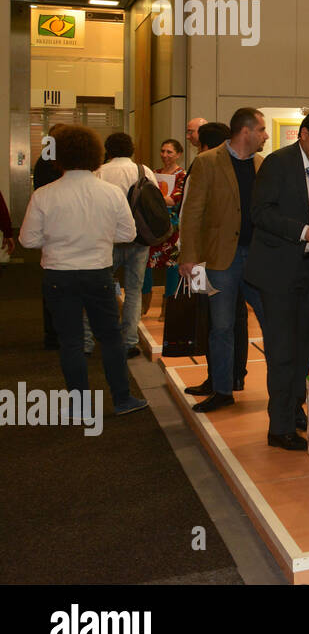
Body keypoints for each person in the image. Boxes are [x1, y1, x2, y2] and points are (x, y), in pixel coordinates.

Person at [18, 125, 149, 416]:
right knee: (111, 337)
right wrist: (99, 235)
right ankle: (122, 398)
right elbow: (128, 233)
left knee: (71, 341)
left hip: (58, 274)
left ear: (58, 157)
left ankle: (78, 406)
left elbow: (27, 240)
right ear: (95, 155)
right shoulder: (110, 193)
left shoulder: (44, 194)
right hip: (97, 272)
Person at [246, 108, 309, 451]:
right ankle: (279, 428)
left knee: (304, 348)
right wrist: (305, 232)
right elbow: (261, 213)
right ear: (303, 134)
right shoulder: (277, 163)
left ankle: (294, 408)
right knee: (283, 351)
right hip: (278, 271)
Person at [178, 109, 269, 412]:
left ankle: (280, 391)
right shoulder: (207, 162)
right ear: (246, 131)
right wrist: (189, 258)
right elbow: (192, 214)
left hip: (257, 259)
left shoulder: (261, 165)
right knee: (221, 327)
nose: (265, 135)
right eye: (262, 129)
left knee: (271, 323)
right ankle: (221, 389)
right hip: (219, 260)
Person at [91, 132, 158, 359]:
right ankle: (129, 342)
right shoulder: (144, 171)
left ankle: (97, 338)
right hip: (139, 240)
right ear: (132, 148)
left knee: (100, 289)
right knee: (133, 291)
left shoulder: (99, 173)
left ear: (108, 150)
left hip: (106, 240)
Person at [34, 124, 66, 349]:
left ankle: (53, 334)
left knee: (52, 283)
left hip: (49, 230)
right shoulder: (60, 163)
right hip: (65, 228)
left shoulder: (42, 162)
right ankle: (60, 333)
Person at [145, 138, 187, 305]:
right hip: (154, 224)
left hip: (173, 225)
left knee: (173, 264)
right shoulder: (154, 173)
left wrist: (156, 199)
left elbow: (175, 200)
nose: (165, 155)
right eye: (163, 151)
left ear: (178, 154)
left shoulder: (182, 175)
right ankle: (145, 299)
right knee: (147, 261)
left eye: (169, 152)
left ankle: (168, 303)